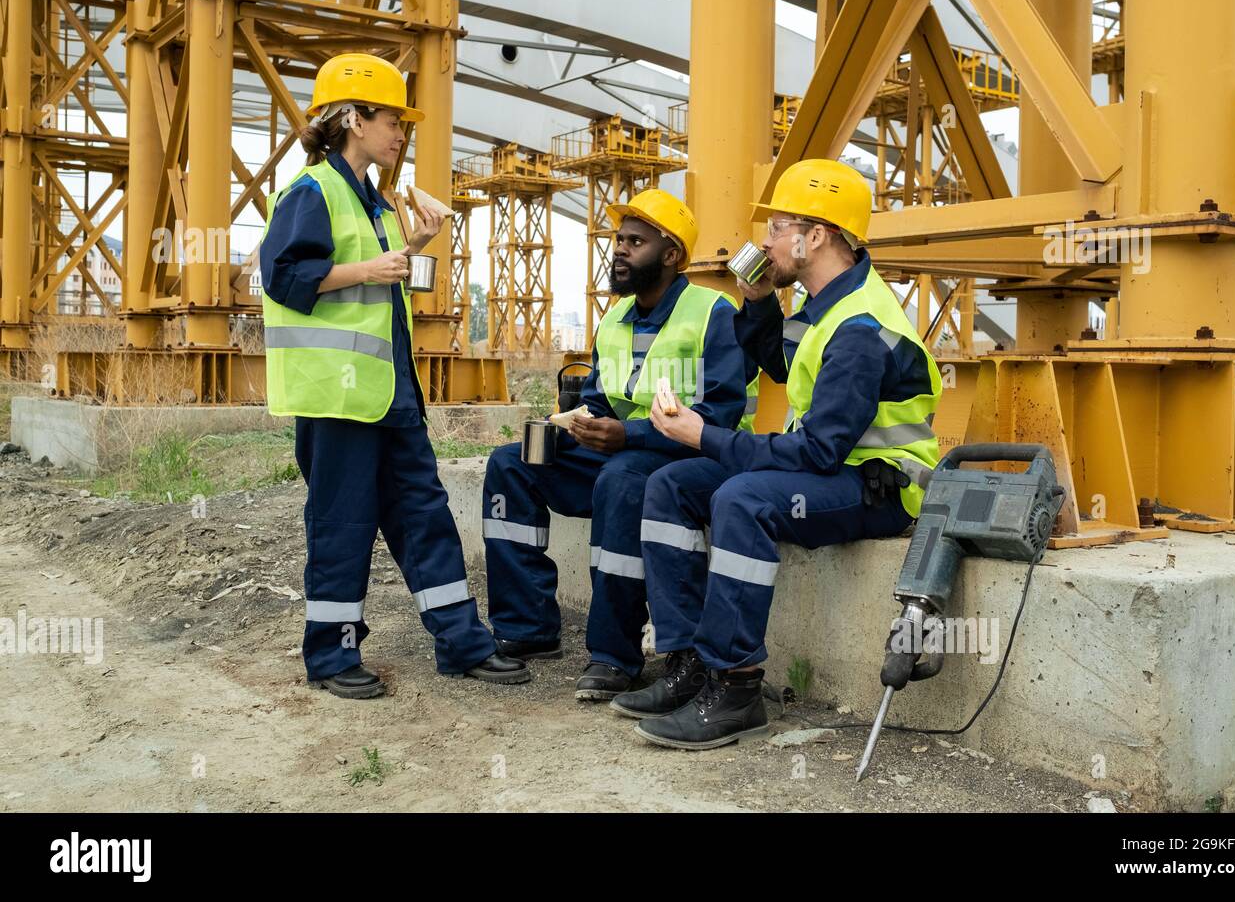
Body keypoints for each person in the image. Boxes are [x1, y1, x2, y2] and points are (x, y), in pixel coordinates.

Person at [613, 159, 942, 748]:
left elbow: (818, 451)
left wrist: (703, 435)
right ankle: (688, 661)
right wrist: (761, 301)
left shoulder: (862, 328)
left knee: (740, 497)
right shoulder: (825, 302)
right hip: (832, 472)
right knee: (672, 486)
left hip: (878, 487)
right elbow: (784, 366)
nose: (762, 241)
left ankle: (735, 685)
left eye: (775, 229)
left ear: (814, 236)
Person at [259, 53, 528, 699]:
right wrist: (371, 269)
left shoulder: (375, 203)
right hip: (339, 400)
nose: (401, 132)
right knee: (342, 526)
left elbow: (377, 279)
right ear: (352, 117)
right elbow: (284, 278)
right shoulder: (312, 191)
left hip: (391, 395)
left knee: (424, 515)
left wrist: (413, 248)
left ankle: (463, 644)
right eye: (391, 118)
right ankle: (331, 657)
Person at [481, 189, 757, 702]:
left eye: (636, 241)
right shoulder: (615, 319)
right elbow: (603, 404)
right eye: (619, 240)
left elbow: (719, 415)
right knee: (511, 463)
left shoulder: (713, 312)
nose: (621, 250)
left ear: (671, 254)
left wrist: (627, 435)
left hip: (688, 458)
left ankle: (615, 655)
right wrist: (574, 424)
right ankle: (527, 627)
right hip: (625, 449)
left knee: (620, 477)